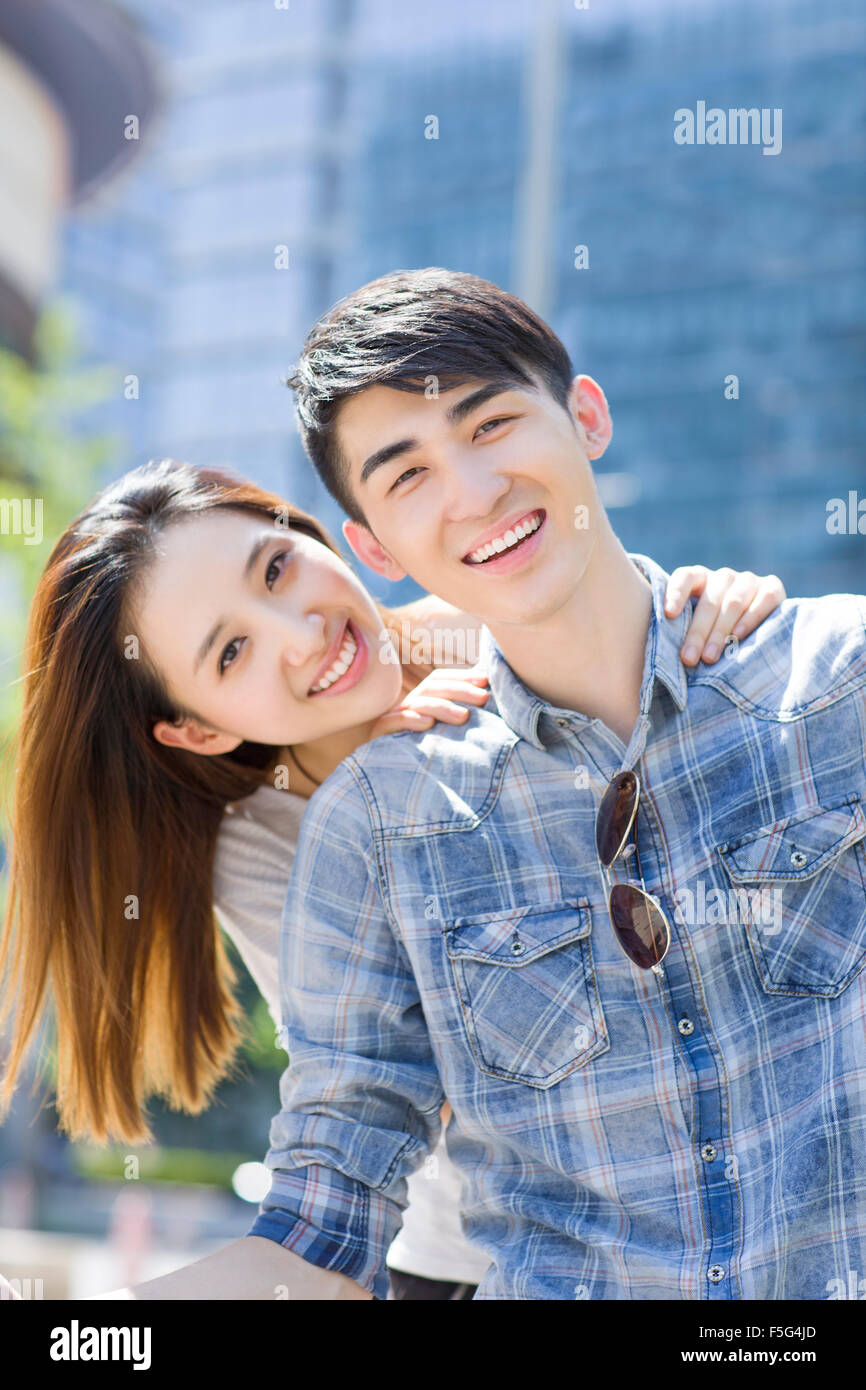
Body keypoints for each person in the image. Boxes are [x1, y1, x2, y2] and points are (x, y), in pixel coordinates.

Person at [110, 265, 861, 1302]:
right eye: (407, 474)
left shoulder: (828, 676)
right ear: (377, 538)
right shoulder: (360, 828)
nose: (471, 491)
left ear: (583, 414)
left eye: (492, 422)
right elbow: (327, 1199)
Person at [0, 455, 776, 1302]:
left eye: (276, 568)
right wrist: (394, 801)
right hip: (466, 1264)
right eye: (231, 652)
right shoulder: (263, 843)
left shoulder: (496, 630)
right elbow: (408, 1090)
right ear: (197, 732)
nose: (303, 633)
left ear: (308, 532)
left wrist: (710, 614)